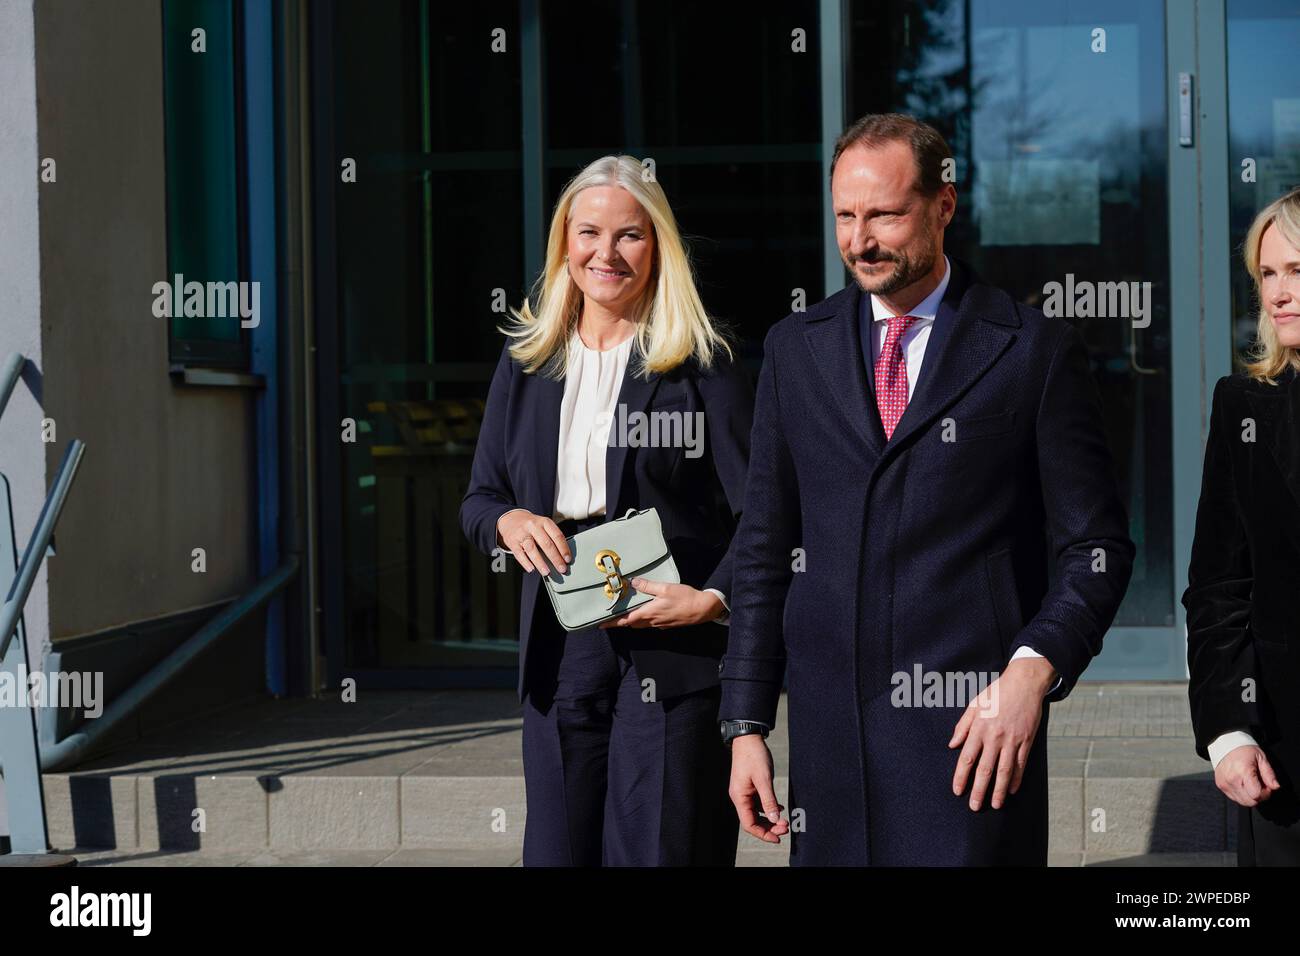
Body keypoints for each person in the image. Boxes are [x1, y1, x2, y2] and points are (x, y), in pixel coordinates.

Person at [719, 113, 1134, 865]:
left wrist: (1030, 676)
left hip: (972, 743)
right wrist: (745, 722)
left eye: (884, 213)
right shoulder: (793, 349)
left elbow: (1096, 546)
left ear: (944, 206)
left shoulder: (1031, 349)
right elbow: (762, 548)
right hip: (831, 757)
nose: (860, 240)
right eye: (845, 215)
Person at [459, 155, 752, 866]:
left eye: (630, 235)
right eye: (589, 232)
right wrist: (507, 521)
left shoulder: (704, 360)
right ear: (565, 242)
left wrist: (712, 598)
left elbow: (766, 517)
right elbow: (479, 499)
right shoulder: (527, 362)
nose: (606, 253)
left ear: (659, 247)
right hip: (562, 644)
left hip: (670, 644)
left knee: (659, 848)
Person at [1184, 186, 1300, 866]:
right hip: (1283, 757)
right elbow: (1217, 588)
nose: (1279, 292)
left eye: (1297, 270)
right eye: (1268, 273)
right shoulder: (1243, 406)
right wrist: (1228, 729)